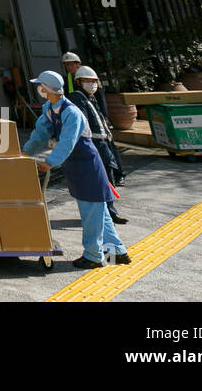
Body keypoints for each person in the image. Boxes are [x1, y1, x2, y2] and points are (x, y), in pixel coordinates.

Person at [22, 70, 130, 270]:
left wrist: (51, 161)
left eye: (40, 86)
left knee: (91, 212)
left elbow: (68, 142)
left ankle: (94, 256)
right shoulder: (50, 108)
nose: (39, 89)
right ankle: (117, 250)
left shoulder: (72, 113)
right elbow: (40, 133)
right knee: (99, 211)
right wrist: (25, 153)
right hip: (75, 166)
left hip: (88, 165)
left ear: (46, 88)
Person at [67, 65, 128, 225]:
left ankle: (109, 211)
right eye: (88, 81)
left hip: (103, 142)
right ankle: (104, 214)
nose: (92, 84)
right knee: (98, 179)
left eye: (94, 81)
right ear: (79, 82)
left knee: (108, 177)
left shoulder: (90, 97)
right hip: (93, 144)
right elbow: (82, 123)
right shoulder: (77, 98)